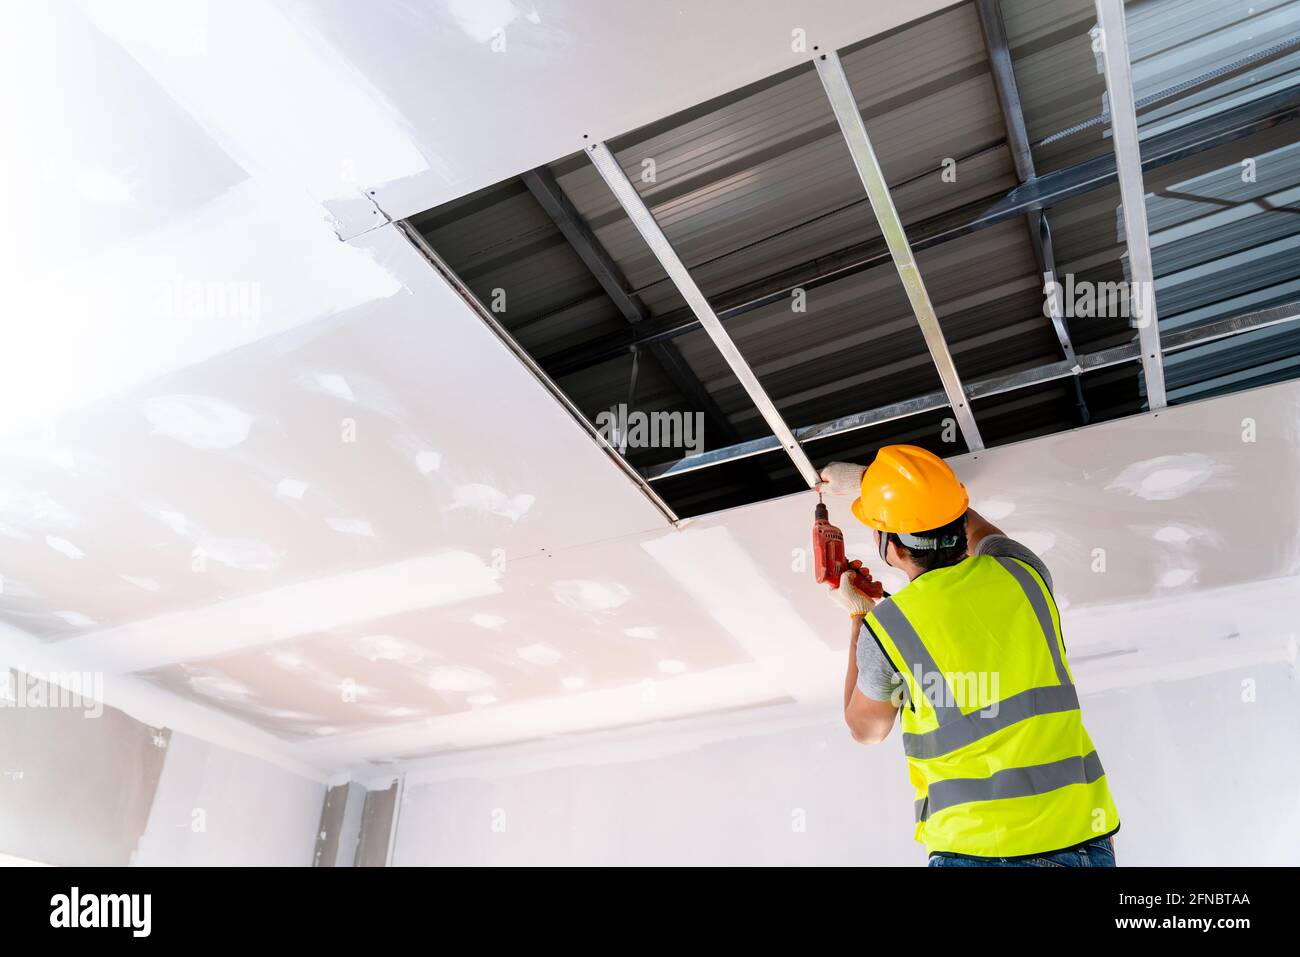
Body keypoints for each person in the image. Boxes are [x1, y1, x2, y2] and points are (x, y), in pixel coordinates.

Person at [819, 445, 1120, 867]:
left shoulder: (888, 628)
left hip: (980, 850)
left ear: (893, 548)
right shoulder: (1022, 572)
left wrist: (857, 618)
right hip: (1079, 837)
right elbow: (969, 523)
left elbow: (865, 730)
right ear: (958, 518)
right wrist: (883, 482)